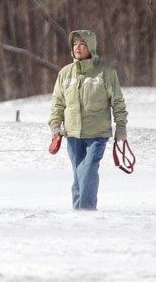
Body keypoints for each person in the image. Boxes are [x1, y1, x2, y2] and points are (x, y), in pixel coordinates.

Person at [48, 29, 128, 210]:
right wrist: (55, 125)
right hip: (73, 134)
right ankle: (78, 213)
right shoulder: (65, 73)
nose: (78, 48)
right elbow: (57, 103)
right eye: (75, 44)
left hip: (97, 134)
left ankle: (86, 212)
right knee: (78, 176)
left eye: (82, 44)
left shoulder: (106, 73)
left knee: (88, 171)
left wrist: (121, 126)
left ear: (90, 47)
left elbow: (117, 101)